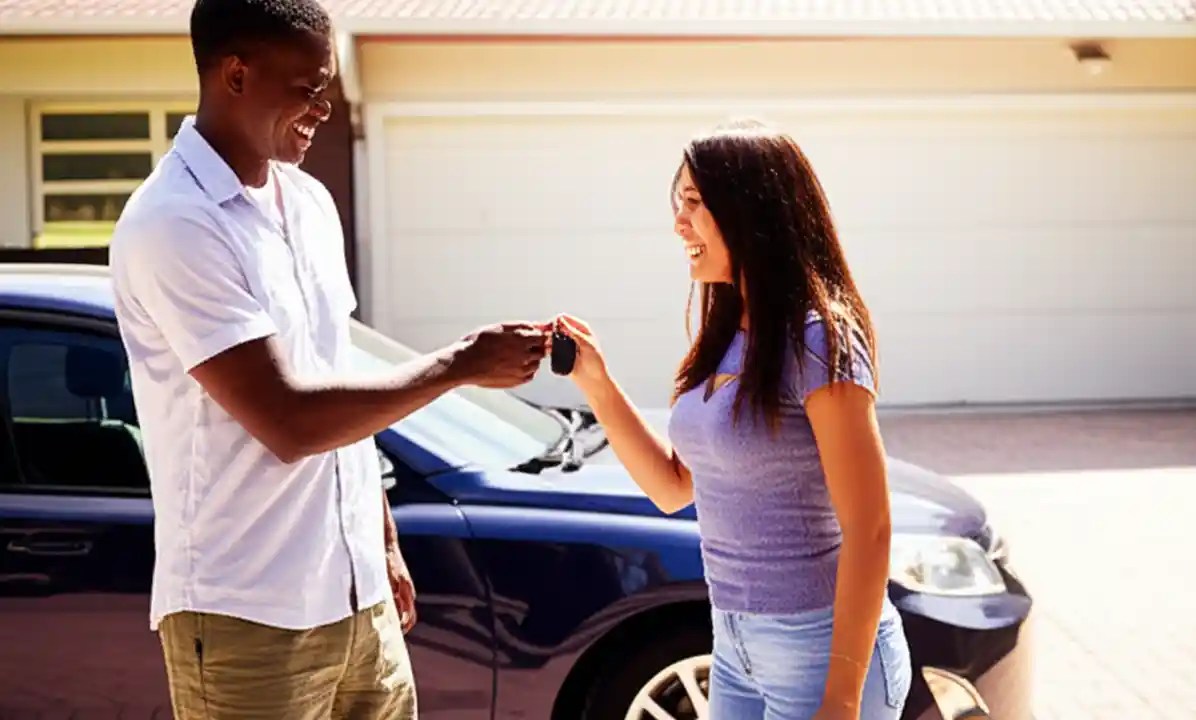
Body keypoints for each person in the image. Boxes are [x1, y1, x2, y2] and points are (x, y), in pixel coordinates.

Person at [108, 0, 548, 717]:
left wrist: (382, 539)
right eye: (309, 89)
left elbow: (334, 371)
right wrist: (462, 364)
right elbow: (289, 419)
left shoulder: (309, 202)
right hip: (246, 614)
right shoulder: (173, 223)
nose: (325, 108)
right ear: (237, 74)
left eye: (330, 87)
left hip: (356, 596)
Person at [553, 119, 911, 719]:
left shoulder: (820, 339)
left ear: (750, 210)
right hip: (734, 646)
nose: (679, 222)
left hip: (821, 648)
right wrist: (597, 381)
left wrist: (843, 698)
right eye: (679, 203)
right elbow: (673, 488)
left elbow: (871, 527)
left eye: (694, 202)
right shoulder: (725, 338)